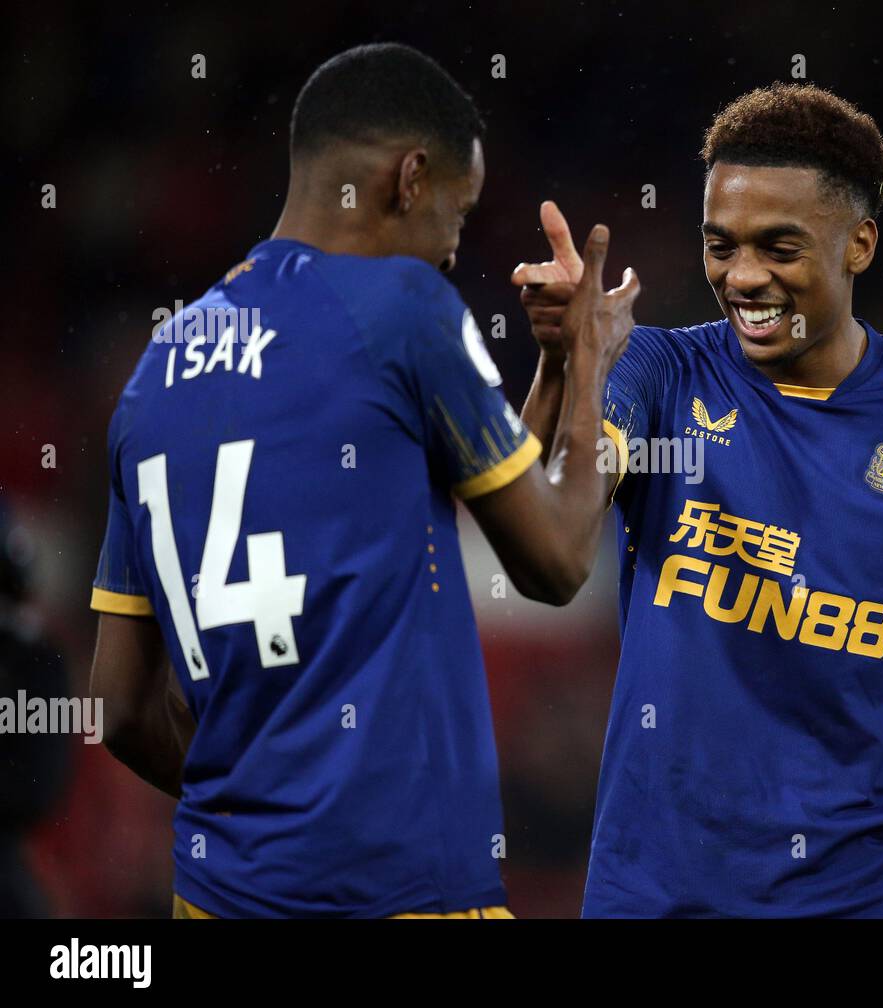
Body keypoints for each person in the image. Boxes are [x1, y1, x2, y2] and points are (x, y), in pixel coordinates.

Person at [88, 42, 638, 918]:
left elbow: (116, 710)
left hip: (218, 896)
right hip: (404, 892)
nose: (454, 254)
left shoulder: (151, 373)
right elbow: (557, 561)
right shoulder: (402, 309)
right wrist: (595, 360)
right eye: (457, 218)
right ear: (410, 178)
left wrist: (551, 370)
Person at [513, 83, 883, 918]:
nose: (742, 277)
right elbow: (547, 548)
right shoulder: (656, 376)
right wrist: (566, 365)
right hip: (657, 897)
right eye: (720, 245)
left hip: (868, 900)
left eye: (779, 247)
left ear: (859, 244)